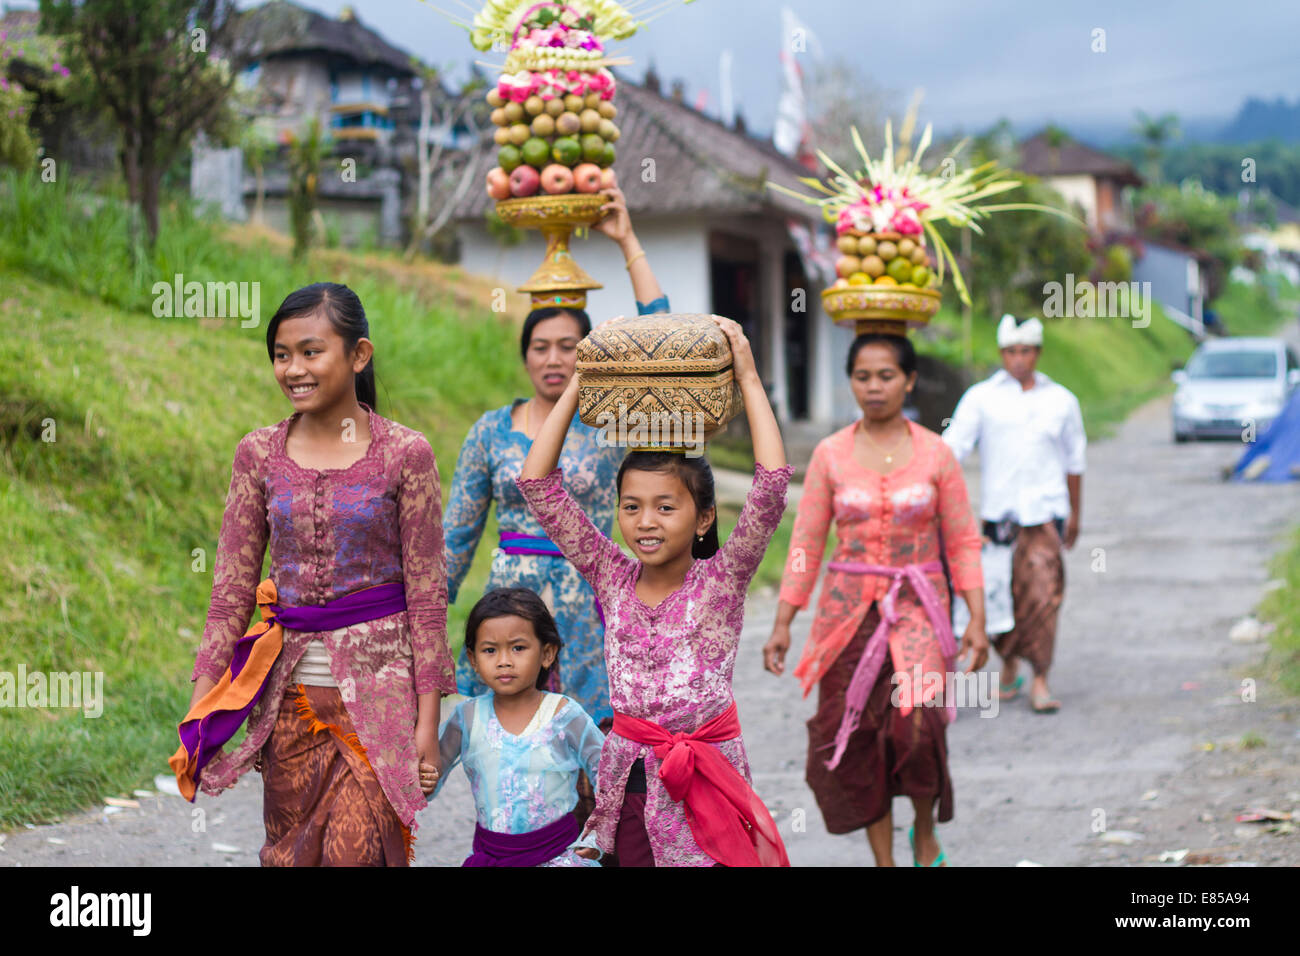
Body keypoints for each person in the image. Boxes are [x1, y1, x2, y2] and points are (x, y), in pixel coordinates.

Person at [172, 283, 456, 867]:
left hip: (379, 703)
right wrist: (199, 712)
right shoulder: (257, 454)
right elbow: (230, 591)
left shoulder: (407, 453)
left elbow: (428, 598)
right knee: (289, 854)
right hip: (290, 703)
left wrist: (428, 723)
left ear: (359, 355)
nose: (293, 369)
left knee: (360, 851)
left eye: (310, 351)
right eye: (281, 354)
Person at [516, 316, 792, 867]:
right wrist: (580, 381)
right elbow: (538, 485)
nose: (646, 522)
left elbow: (771, 488)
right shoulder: (609, 572)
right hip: (630, 778)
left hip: (708, 775)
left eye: (666, 507)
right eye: (632, 506)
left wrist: (749, 378)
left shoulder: (724, 579)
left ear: (703, 516)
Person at [443, 185, 668, 727]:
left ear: (588, 354)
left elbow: (662, 347)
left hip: (590, 610)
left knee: (595, 754)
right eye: (540, 347)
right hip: (509, 617)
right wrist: (419, 628)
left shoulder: (612, 425)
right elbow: (455, 540)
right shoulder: (491, 431)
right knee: (510, 754)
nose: (553, 358)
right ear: (524, 356)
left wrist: (627, 240)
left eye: (569, 346)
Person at [763, 332, 988, 867]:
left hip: (919, 609)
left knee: (919, 727)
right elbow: (807, 542)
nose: (874, 387)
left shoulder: (936, 453)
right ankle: (884, 861)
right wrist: (783, 621)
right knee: (857, 732)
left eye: (886, 376)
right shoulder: (829, 454)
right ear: (851, 382)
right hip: (846, 614)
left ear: (909, 380)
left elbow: (961, 539)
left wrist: (977, 617)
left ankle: (926, 829)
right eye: (863, 377)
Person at [942, 314, 1085, 714]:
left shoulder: (1061, 401)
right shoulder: (981, 398)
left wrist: (1075, 514)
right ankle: (1009, 665)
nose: (1018, 359)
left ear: (1037, 353)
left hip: (1045, 517)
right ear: (1002, 353)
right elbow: (952, 449)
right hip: (998, 519)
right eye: (1010, 351)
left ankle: (1040, 677)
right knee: (1000, 595)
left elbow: (1075, 460)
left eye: (1025, 351)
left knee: (1042, 596)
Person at [431, 587, 605, 867]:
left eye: (518, 648)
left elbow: (610, 779)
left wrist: (597, 840)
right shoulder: (467, 718)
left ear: (547, 653)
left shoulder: (564, 715)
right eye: (490, 650)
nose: (504, 661)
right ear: (473, 659)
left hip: (558, 857)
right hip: (491, 858)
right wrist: (423, 776)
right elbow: (428, 780)